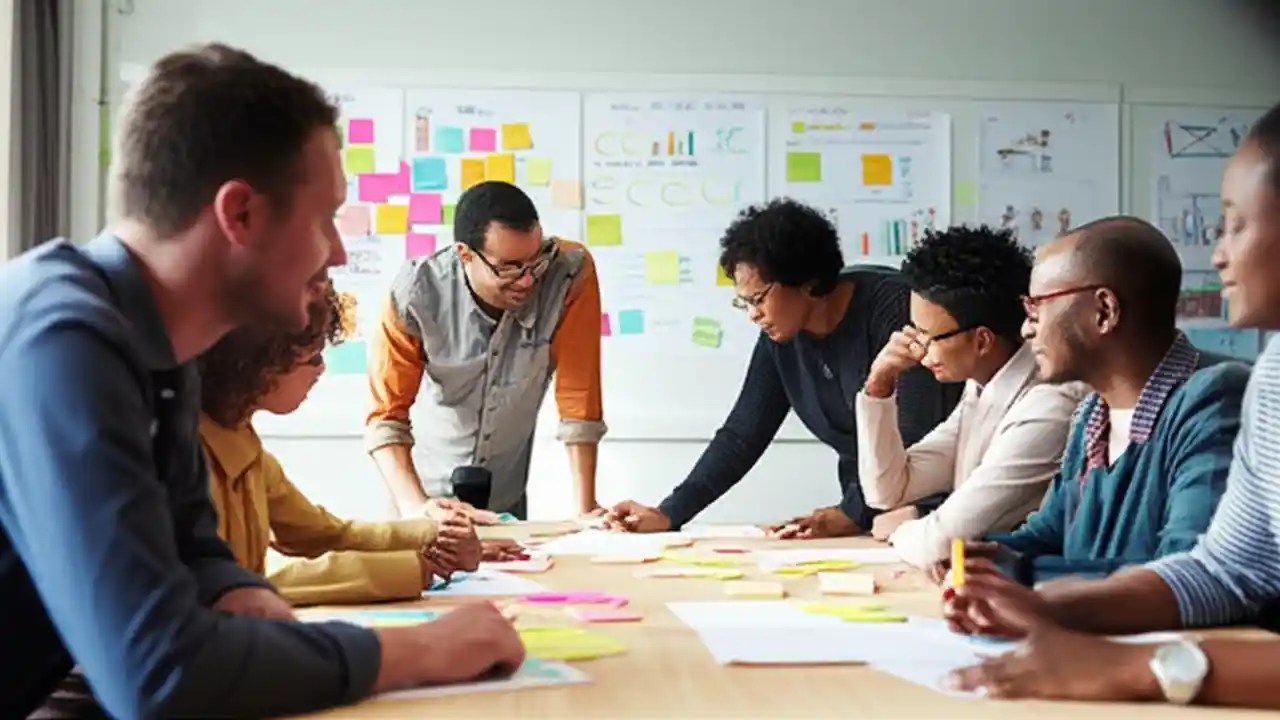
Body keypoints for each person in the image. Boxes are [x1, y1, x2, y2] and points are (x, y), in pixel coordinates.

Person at [0, 44, 522, 719]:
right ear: (240, 215)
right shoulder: (64, 338)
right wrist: (419, 654)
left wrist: (238, 596)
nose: (336, 251)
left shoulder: (159, 341)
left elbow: (195, 550)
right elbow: (158, 673)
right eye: (325, 217)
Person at [940, 101, 1280, 709]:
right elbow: (1226, 569)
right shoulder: (1273, 377)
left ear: (1103, 310)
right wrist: (1038, 601)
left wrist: (1136, 667)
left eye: (1236, 224)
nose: (1219, 255)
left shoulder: (1217, 394)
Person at [603, 199, 962, 537]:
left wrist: (851, 512)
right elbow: (742, 435)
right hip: (867, 517)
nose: (753, 314)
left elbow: (916, 434)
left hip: (938, 513)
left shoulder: (897, 310)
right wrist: (669, 513)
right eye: (743, 303)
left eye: (758, 299)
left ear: (806, 282)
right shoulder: (782, 337)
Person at [930, 217, 1248, 587]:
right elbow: (1049, 535)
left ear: (1104, 311)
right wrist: (981, 554)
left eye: (1037, 308)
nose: (1026, 328)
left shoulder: (1215, 400)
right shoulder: (1092, 414)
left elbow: (1185, 568)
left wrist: (1021, 570)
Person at [198, 282, 528, 606]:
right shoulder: (188, 456)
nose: (321, 369)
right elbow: (249, 583)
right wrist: (421, 567)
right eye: (312, 358)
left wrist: (434, 536)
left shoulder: (242, 441)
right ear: (259, 363)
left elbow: (325, 534)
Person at [367, 181, 604, 522]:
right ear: (465, 254)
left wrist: (585, 511)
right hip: (427, 498)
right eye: (508, 268)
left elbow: (580, 397)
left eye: (534, 262)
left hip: (505, 502)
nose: (526, 281)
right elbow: (386, 417)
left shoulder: (567, 274)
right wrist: (415, 508)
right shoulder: (416, 294)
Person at [856, 226, 1086, 567]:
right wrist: (879, 384)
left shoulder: (1049, 403)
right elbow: (887, 490)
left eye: (928, 335)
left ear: (982, 341)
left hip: (1032, 593)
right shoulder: (982, 387)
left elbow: (941, 543)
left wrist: (904, 528)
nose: (917, 350)